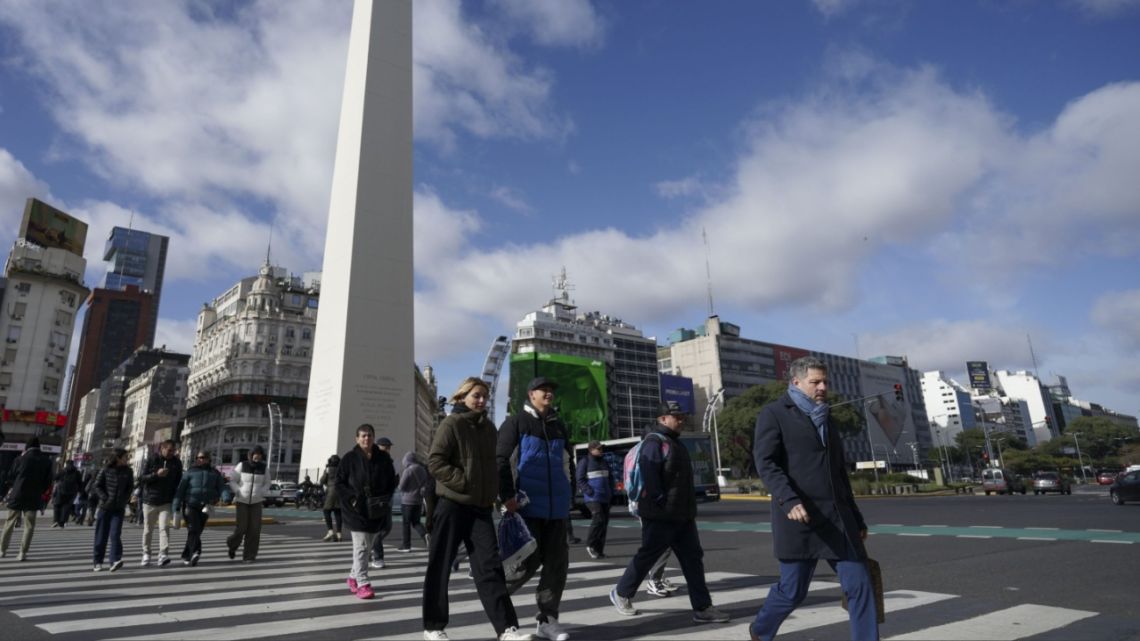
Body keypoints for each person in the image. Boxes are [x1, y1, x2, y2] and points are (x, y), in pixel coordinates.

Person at [750, 356, 878, 641]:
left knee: (860, 586)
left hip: (838, 521)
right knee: (793, 590)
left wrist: (856, 518)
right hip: (800, 517)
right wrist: (788, 499)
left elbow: (838, 474)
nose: (822, 387)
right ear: (796, 382)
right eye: (815, 382)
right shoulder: (774, 413)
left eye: (825, 382)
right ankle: (761, 629)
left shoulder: (826, 417)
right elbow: (766, 463)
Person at [423, 377, 532, 641]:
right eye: (476, 395)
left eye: (484, 396)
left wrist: (499, 493)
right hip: (452, 504)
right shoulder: (452, 423)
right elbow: (435, 462)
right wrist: (464, 483)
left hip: (480, 508)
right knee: (441, 565)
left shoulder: (489, 429)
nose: (481, 400)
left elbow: (496, 465)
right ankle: (433, 626)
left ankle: (507, 629)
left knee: (490, 568)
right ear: (462, 397)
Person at [609, 401, 730, 625]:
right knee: (648, 556)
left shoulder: (676, 443)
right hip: (661, 514)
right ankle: (622, 593)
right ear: (663, 419)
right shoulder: (655, 442)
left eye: (682, 416)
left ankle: (703, 608)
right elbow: (650, 475)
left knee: (693, 560)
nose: (681, 420)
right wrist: (659, 500)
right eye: (676, 417)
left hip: (682, 515)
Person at [497, 377, 574, 641]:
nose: (549, 394)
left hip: (556, 509)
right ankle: (494, 599)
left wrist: (569, 495)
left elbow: (568, 463)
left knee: (556, 566)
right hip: (526, 507)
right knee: (525, 563)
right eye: (544, 390)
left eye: (552, 390)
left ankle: (548, 620)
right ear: (531, 394)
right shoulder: (516, 423)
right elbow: (501, 461)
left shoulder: (559, 426)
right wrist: (507, 496)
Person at [335, 423, 396, 601]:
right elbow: (339, 483)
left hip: (377, 509)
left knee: (368, 547)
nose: (366, 438)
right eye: (363, 436)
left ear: (373, 437)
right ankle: (363, 583)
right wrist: (352, 498)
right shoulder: (349, 458)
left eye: (369, 435)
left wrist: (385, 498)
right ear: (357, 438)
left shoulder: (383, 458)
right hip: (356, 510)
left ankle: (353, 576)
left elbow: (392, 480)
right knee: (361, 547)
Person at [1, 437, 53, 561]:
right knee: (29, 525)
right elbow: (48, 481)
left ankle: (2, 550)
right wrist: (40, 490)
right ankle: (22, 553)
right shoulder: (47, 461)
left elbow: (10, 476)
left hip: (17, 495)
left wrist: (13, 487)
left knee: (10, 522)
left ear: (27, 447)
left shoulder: (20, 459)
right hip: (34, 497)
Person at [172, 450, 225, 567]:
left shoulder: (215, 473)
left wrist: (226, 496)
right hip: (190, 504)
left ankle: (187, 555)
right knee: (194, 528)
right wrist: (176, 505)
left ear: (208, 459)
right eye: (199, 457)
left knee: (196, 531)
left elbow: (221, 486)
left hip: (206, 506)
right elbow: (180, 490)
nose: (201, 459)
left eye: (203, 457)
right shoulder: (189, 472)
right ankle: (196, 552)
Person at [138, 439, 183, 567]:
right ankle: (146, 553)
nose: (171, 453)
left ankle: (163, 554)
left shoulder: (176, 463)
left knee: (164, 528)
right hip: (149, 501)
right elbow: (142, 478)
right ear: (162, 449)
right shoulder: (152, 459)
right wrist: (156, 475)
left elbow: (178, 482)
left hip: (166, 501)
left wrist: (177, 499)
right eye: (169, 450)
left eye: (173, 451)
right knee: (148, 529)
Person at [91, 448, 134, 572]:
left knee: (115, 534)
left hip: (118, 509)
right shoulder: (105, 470)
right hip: (105, 508)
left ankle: (115, 560)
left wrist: (124, 500)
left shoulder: (128, 471)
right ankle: (97, 561)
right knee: (101, 535)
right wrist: (104, 498)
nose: (127, 459)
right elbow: (97, 485)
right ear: (118, 458)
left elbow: (130, 487)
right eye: (125, 457)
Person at [227, 445, 270, 562]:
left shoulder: (264, 468)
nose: (257, 456)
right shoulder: (242, 465)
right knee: (241, 528)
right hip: (242, 501)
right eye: (255, 454)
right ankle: (232, 545)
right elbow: (232, 480)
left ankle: (249, 556)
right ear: (250, 455)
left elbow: (267, 483)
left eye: (260, 454)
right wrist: (238, 491)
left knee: (254, 529)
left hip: (257, 502)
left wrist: (262, 491)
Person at [575, 440, 612, 559]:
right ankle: (590, 544)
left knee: (604, 523)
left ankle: (599, 550)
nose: (601, 451)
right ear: (591, 450)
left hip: (605, 497)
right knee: (598, 518)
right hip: (593, 497)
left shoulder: (604, 462)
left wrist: (611, 491)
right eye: (599, 449)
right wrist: (589, 491)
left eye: (602, 448)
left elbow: (610, 478)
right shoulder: (584, 462)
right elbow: (580, 479)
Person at [368, 436, 397, 569]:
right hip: (377, 500)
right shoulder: (373, 460)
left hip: (386, 499)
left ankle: (369, 552)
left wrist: (394, 482)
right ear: (378, 446)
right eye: (385, 446)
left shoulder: (388, 461)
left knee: (386, 528)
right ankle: (378, 556)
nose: (388, 449)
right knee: (380, 529)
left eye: (389, 447)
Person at [396, 451, 431, 552]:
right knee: (416, 522)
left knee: (406, 523)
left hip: (407, 501)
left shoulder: (408, 470)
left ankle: (406, 545)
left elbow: (401, 486)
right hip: (418, 501)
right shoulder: (423, 469)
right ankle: (425, 534)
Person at [51, 460, 82, 529]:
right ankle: (63, 522)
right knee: (66, 507)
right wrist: (80, 492)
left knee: (57, 505)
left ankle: (56, 520)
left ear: (66, 464)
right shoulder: (77, 473)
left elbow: (55, 478)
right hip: (72, 493)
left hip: (61, 491)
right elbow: (80, 483)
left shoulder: (63, 471)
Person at [320, 455, 342, 542]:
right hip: (340, 492)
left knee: (326, 511)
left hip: (331, 492)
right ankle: (339, 533)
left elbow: (322, 481)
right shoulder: (342, 468)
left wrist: (326, 473)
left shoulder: (328, 469)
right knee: (338, 512)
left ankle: (330, 531)